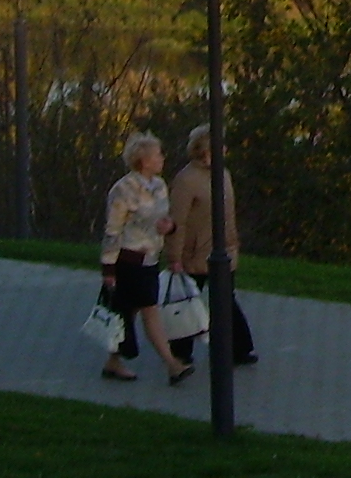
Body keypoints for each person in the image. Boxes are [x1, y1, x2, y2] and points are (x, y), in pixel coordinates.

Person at [98, 131, 193, 385]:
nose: (162, 158)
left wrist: (169, 226)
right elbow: (112, 230)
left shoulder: (160, 186)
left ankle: (113, 361)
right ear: (145, 160)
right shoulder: (124, 189)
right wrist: (108, 268)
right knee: (149, 309)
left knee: (127, 313)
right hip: (129, 259)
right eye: (158, 154)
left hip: (151, 257)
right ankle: (172, 364)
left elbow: (165, 218)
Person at [168, 123, 258, 368]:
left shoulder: (223, 174)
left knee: (225, 300)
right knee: (186, 302)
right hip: (194, 252)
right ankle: (180, 352)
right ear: (205, 149)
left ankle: (239, 349)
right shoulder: (186, 180)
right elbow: (178, 220)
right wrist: (175, 256)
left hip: (224, 249)